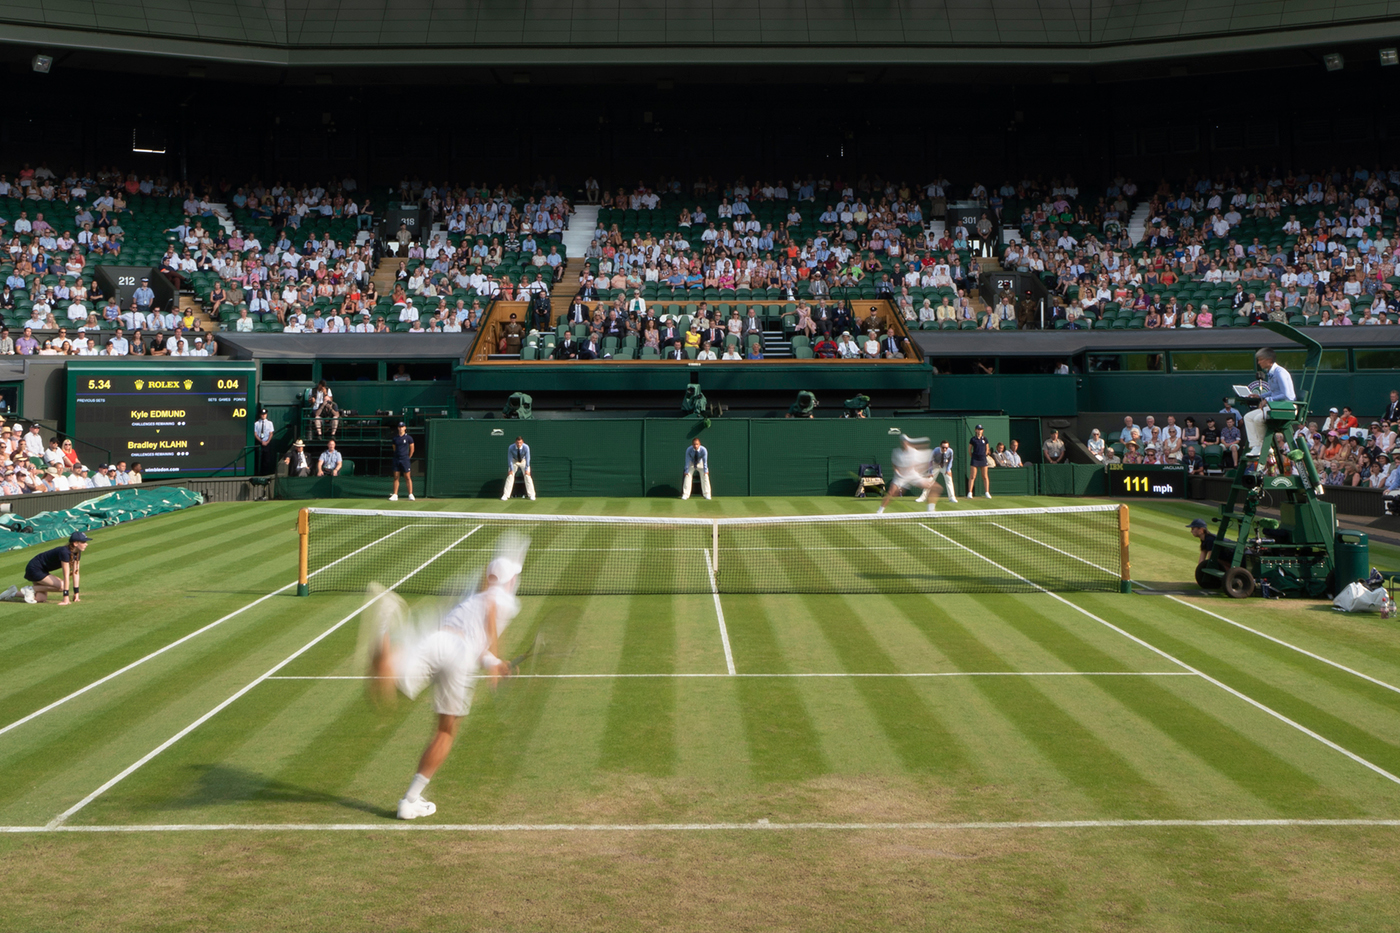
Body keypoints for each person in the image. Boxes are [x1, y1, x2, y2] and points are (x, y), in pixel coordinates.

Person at [368, 554, 524, 819]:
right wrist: (495, 663)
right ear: (509, 581)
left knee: (390, 683)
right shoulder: (505, 601)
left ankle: (385, 638)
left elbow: (468, 636)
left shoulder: (469, 600)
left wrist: (494, 663)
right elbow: (485, 625)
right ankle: (410, 800)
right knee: (445, 731)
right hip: (459, 655)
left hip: (437, 641)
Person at [7, 531, 89, 604]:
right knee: (62, 586)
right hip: (34, 568)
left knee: (40, 598)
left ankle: (12, 593)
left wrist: (76, 593)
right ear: (75, 543)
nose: (86, 544)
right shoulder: (65, 552)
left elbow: (76, 572)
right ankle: (30, 589)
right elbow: (66, 575)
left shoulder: (77, 552)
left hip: (42, 570)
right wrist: (66, 597)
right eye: (83, 542)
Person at [1244, 347, 1296, 460]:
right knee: (1248, 417)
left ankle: (1264, 446)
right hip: (1276, 407)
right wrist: (1260, 396)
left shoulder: (1280, 373)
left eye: (1260, 359)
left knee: (1258, 418)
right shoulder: (1270, 373)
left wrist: (1267, 400)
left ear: (1269, 360)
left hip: (1286, 407)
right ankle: (1255, 445)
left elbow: (1287, 396)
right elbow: (1273, 392)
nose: (1258, 362)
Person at [878, 435, 936, 514]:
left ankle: (930, 511)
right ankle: (879, 511)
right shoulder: (896, 452)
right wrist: (897, 472)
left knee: (934, 487)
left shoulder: (914, 451)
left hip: (912, 475)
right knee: (891, 493)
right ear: (901, 442)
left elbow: (920, 464)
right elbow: (894, 465)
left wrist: (923, 473)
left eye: (906, 441)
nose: (904, 443)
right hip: (900, 477)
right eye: (903, 441)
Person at [917, 438, 957, 507]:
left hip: (944, 465)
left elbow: (950, 460)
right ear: (940, 446)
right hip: (935, 465)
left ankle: (952, 497)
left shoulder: (950, 451)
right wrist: (930, 472)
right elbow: (930, 461)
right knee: (929, 480)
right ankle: (923, 497)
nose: (945, 449)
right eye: (943, 447)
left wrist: (948, 469)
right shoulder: (935, 451)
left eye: (946, 448)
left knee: (949, 480)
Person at [501, 435, 536, 501]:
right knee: (510, 476)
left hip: (523, 461)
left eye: (520, 442)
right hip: (514, 461)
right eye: (517, 442)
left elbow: (528, 458)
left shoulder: (526, 447)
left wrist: (526, 469)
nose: (519, 444)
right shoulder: (511, 447)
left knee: (527, 476)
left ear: (522, 442)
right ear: (515, 442)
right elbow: (509, 458)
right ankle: (505, 495)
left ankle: (532, 495)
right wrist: (511, 469)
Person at [389, 421, 415, 501]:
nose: (401, 428)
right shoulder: (395, 438)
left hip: (405, 460)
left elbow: (412, 449)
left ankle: (410, 494)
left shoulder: (409, 438)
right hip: (396, 459)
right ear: (398, 428)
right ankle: (395, 494)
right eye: (399, 427)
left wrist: (407, 457)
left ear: (405, 428)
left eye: (402, 427)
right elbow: (394, 448)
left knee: (407, 477)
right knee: (396, 477)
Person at [680, 436, 711, 500]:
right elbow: (687, 461)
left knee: (705, 476)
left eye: (697, 444)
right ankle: (685, 494)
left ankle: (707, 494)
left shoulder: (704, 450)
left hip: (700, 463)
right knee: (687, 476)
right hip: (691, 463)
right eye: (694, 444)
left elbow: (705, 461)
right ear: (692, 445)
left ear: (699, 444)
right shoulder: (689, 450)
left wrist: (705, 470)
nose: (695, 446)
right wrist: (686, 470)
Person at [967, 423, 991, 498]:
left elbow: (987, 448)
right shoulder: (973, 439)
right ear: (975, 430)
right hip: (975, 459)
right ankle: (970, 493)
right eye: (978, 429)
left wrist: (984, 455)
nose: (979, 431)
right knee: (972, 476)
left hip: (983, 459)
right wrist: (973, 456)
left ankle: (987, 492)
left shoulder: (985, 439)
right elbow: (969, 450)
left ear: (982, 431)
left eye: (980, 430)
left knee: (985, 476)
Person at [253, 408, 275, 475]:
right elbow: (255, 434)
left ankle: (265, 473)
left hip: (267, 443)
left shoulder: (270, 423)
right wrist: (261, 441)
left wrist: (267, 441)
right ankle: (258, 472)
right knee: (259, 458)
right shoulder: (256, 423)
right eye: (262, 414)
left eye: (265, 414)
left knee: (266, 459)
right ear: (260, 415)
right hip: (259, 443)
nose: (263, 416)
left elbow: (271, 433)